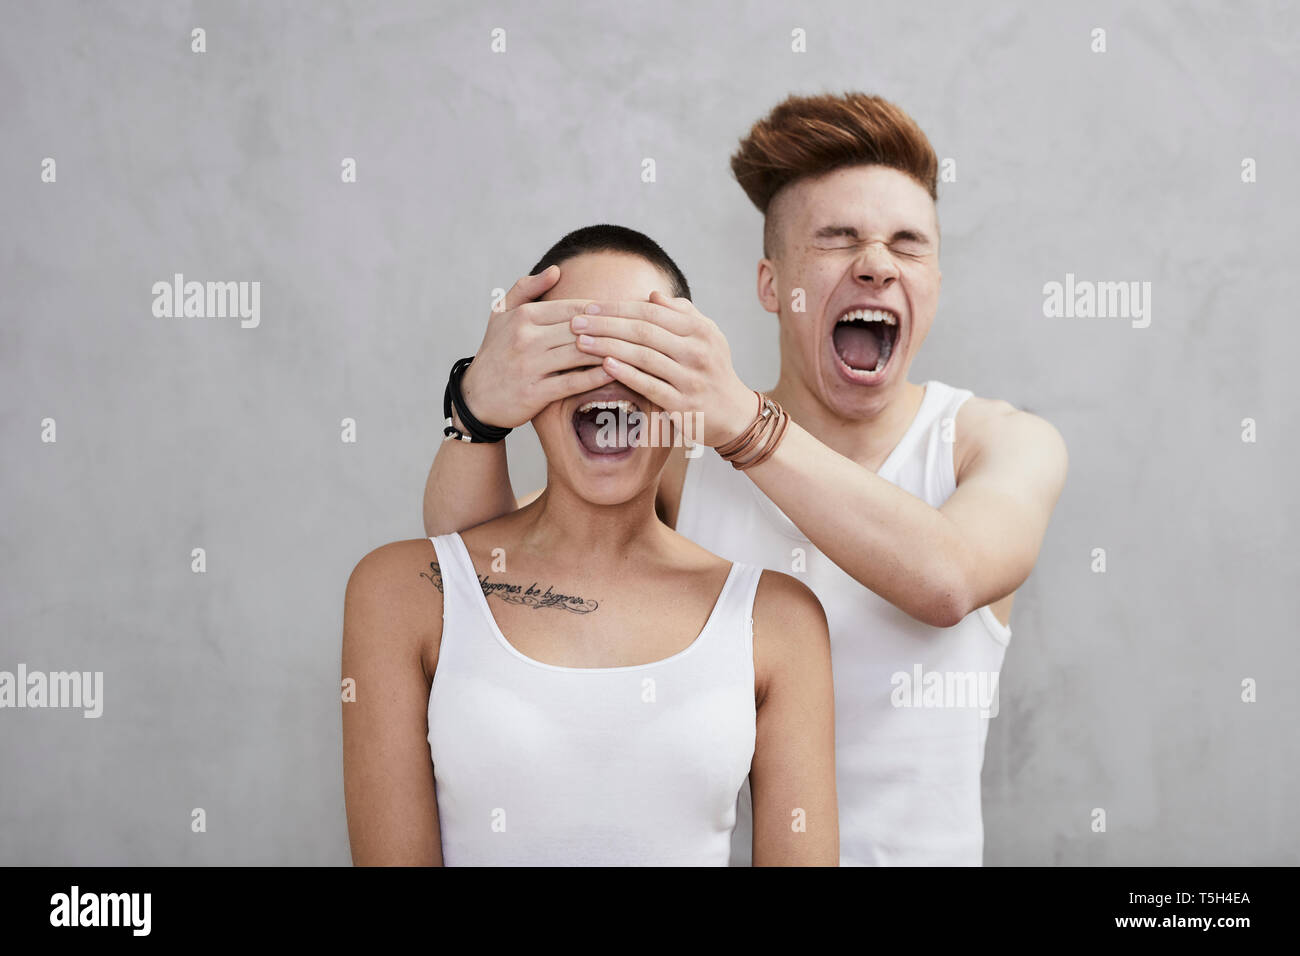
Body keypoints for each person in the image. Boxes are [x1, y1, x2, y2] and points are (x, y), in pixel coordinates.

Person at [420, 93, 1069, 866]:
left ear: (934, 281)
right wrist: (475, 414)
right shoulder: (680, 452)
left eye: (908, 243)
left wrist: (741, 422)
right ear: (772, 285)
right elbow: (476, 577)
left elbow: (947, 580)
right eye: (837, 239)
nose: (875, 263)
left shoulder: (1001, 443)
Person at [344, 225, 838, 866]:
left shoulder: (778, 619)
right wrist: (472, 403)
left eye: (645, 351)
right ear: (518, 378)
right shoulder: (396, 592)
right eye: (573, 348)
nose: (610, 379)